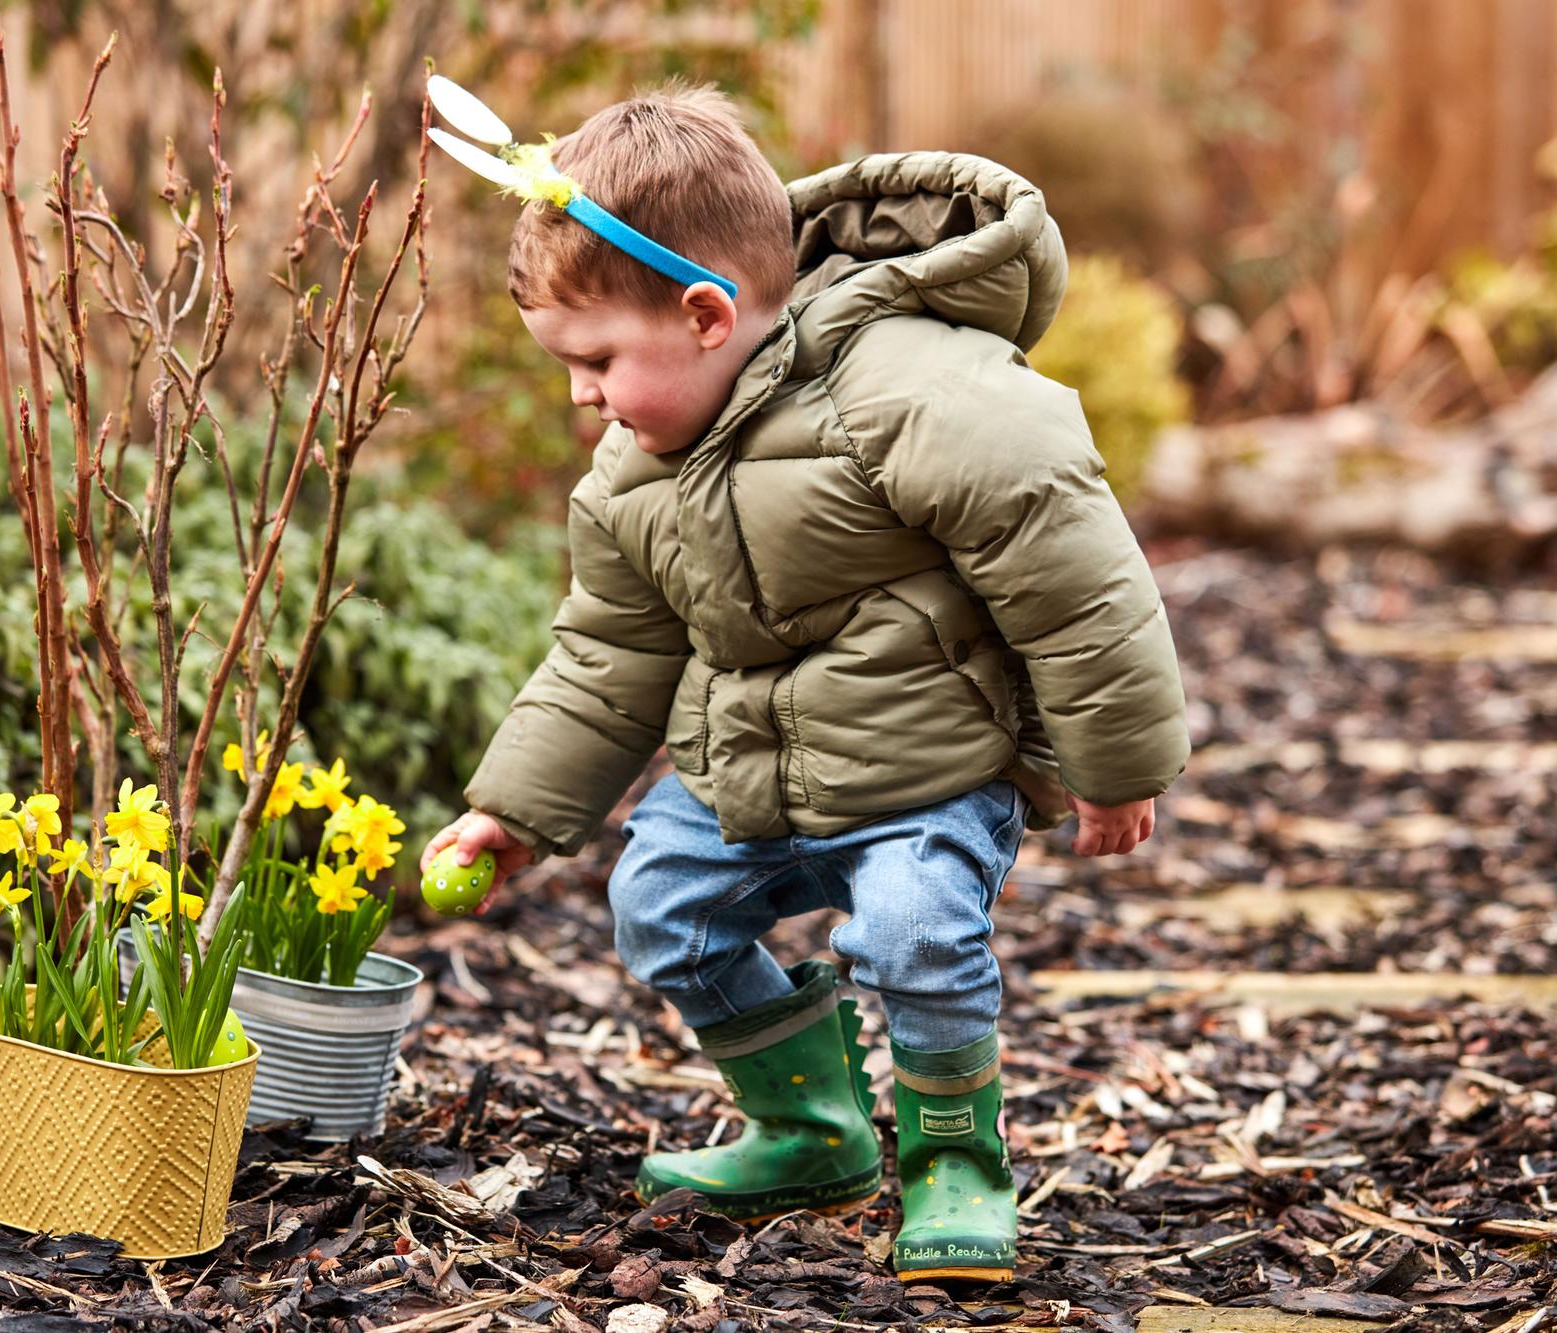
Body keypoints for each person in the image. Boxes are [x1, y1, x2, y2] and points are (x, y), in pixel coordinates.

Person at [420, 81, 1188, 1284]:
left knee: (914, 931)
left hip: (926, 764)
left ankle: (954, 1161)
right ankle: (809, 1129)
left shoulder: (920, 395)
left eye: (597, 359)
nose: (580, 394)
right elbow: (609, 651)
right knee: (659, 906)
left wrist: (1115, 764)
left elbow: (1075, 582)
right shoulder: (632, 474)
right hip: (748, 769)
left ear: (705, 314)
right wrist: (515, 807)